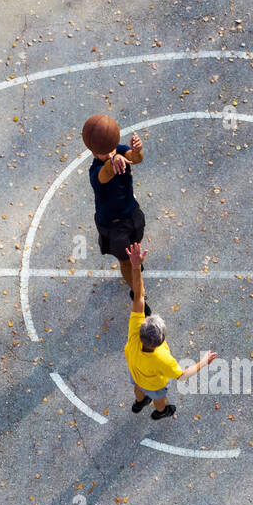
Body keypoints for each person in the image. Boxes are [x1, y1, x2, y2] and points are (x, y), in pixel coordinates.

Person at [122, 243, 215, 420]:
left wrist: (135, 267)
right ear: (161, 340)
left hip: (135, 372)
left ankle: (139, 402)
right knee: (159, 397)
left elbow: (139, 297)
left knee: (138, 387)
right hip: (153, 383)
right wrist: (204, 362)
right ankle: (161, 411)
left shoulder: (134, 332)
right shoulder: (162, 359)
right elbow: (182, 376)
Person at [83, 114, 148, 310]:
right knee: (127, 262)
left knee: (136, 246)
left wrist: (137, 150)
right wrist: (113, 161)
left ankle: (135, 267)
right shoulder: (96, 173)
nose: (111, 154)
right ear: (95, 154)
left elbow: (136, 159)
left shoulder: (119, 150)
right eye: (105, 153)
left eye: (112, 149)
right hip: (113, 228)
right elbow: (107, 172)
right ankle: (137, 295)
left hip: (132, 214)